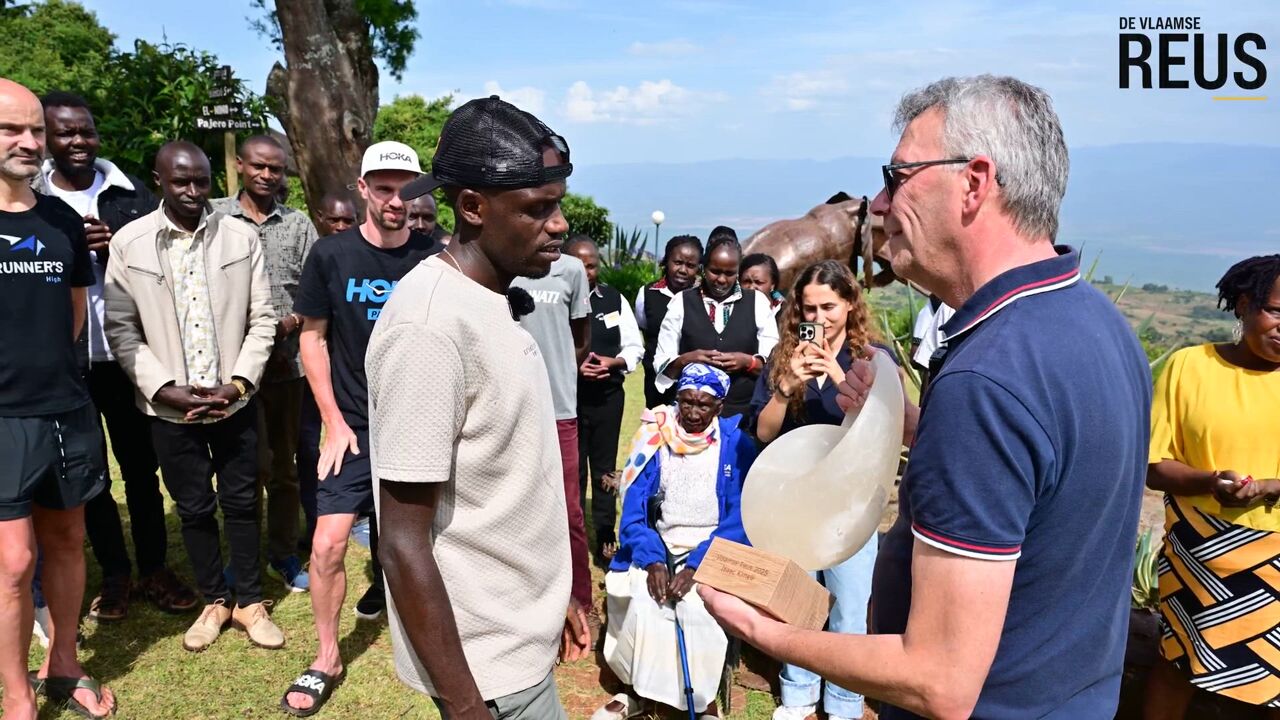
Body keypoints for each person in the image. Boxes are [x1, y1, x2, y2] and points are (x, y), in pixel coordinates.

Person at [700, 75, 1151, 720]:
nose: (881, 204)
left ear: (974, 183)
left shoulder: (988, 379)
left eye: (898, 175)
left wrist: (767, 632)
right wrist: (908, 425)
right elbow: (1045, 481)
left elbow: (938, 680)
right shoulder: (1099, 324)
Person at [365, 94, 589, 719]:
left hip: (521, 634)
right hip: (486, 669)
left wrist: (557, 594)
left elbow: (512, 481)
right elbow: (402, 542)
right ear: (471, 206)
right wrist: (465, 705)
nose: (560, 224)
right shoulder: (431, 328)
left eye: (559, 204)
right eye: (538, 209)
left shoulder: (492, 296)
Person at [280, 141, 442, 716]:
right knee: (326, 545)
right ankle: (327, 656)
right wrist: (331, 421)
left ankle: (440, 644)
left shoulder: (435, 257)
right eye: (383, 187)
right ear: (363, 188)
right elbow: (312, 337)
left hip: (421, 424)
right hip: (353, 427)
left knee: (429, 544)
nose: (395, 199)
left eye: (405, 188)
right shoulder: (331, 255)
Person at [105, 141, 283, 653]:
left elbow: (263, 319)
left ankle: (249, 601)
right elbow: (121, 326)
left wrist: (240, 384)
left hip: (234, 401)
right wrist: (164, 389)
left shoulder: (240, 237)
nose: (191, 191)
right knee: (194, 506)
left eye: (201, 181)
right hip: (167, 407)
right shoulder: (131, 243)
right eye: (180, 181)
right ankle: (214, 601)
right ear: (159, 180)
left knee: (244, 502)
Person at [32, 91, 196, 622]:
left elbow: (171, 262)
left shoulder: (132, 197)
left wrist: (118, 247)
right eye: (64, 132)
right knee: (91, 474)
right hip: (69, 363)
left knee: (141, 470)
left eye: (85, 131)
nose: (77, 141)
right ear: (46, 138)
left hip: (130, 358)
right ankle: (115, 575)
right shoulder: (33, 205)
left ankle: (153, 567)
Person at [750, 260, 918, 720]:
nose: (818, 318)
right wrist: (785, 389)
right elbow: (764, 435)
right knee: (798, 606)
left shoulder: (873, 360)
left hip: (848, 501)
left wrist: (838, 376)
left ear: (849, 304)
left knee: (848, 606)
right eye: (808, 308)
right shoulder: (784, 357)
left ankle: (844, 701)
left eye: (828, 306)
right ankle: (798, 692)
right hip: (795, 499)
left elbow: (883, 427)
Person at [0, 77, 116, 720]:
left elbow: (73, 317)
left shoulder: (64, 221)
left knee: (69, 537)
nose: (29, 142)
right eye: (12, 130)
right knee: (14, 563)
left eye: (35, 130)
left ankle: (63, 663)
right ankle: (17, 695)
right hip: (3, 417)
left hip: (67, 407)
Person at [1143, 255, 1280, 718]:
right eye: (1276, 312)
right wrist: (1209, 480)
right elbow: (1153, 464)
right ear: (1244, 304)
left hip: (1276, 562)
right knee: (1177, 665)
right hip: (1198, 553)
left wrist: (1271, 486)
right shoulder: (1189, 368)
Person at [596, 363, 756, 720]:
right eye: (686, 403)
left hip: (712, 549)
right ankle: (636, 692)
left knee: (700, 607)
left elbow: (739, 519)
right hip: (659, 544)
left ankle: (702, 700)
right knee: (641, 597)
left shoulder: (736, 445)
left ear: (720, 406)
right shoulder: (655, 438)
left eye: (704, 405)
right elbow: (634, 512)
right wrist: (653, 560)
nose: (694, 413)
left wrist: (698, 565)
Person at [211, 135, 317, 593]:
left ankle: (282, 552)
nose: (267, 175)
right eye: (258, 166)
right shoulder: (215, 216)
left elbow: (316, 291)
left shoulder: (298, 224)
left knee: (284, 467)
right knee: (242, 468)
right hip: (229, 369)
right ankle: (243, 556)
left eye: (276, 169)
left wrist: (288, 324)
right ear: (240, 165)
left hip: (286, 366)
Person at [511, 235, 593, 612]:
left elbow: (580, 340)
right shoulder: (508, 267)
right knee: (520, 507)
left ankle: (580, 598)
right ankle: (528, 598)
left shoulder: (572, 270)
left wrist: (558, 372)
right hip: (514, 406)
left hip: (560, 408)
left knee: (570, 510)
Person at [566, 236, 643, 565]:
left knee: (604, 469)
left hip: (608, 398)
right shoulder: (554, 299)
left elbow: (634, 347)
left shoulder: (613, 299)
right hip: (569, 399)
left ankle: (606, 532)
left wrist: (613, 363)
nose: (587, 271)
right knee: (572, 471)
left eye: (592, 264)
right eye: (579, 265)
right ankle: (573, 535)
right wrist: (574, 367)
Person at [654, 235, 778, 420]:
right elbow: (662, 363)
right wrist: (688, 359)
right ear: (703, 268)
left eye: (729, 273)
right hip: (694, 417)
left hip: (743, 413)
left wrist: (748, 362)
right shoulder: (682, 302)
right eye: (715, 271)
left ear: (738, 271)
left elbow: (774, 362)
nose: (721, 279)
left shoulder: (757, 302)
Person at [636, 235, 702, 409]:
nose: (683, 270)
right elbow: (643, 325)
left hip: (694, 384)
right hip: (657, 380)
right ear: (666, 261)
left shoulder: (703, 298)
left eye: (690, 265)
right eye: (677, 262)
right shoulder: (647, 293)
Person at [739, 252, 785, 317]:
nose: (751, 288)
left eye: (758, 282)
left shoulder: (788, 312)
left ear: (772, 284)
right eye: (746, 281)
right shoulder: (730, 311)